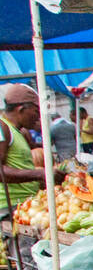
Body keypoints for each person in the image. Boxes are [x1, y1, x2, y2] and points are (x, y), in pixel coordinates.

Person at [0, 85, 46, 217]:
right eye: (36, 111)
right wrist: (39, 174)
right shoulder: (2, 127)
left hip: (25, 205)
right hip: (9, 208)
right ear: (21, 109)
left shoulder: (20, 132)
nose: (38, 117)